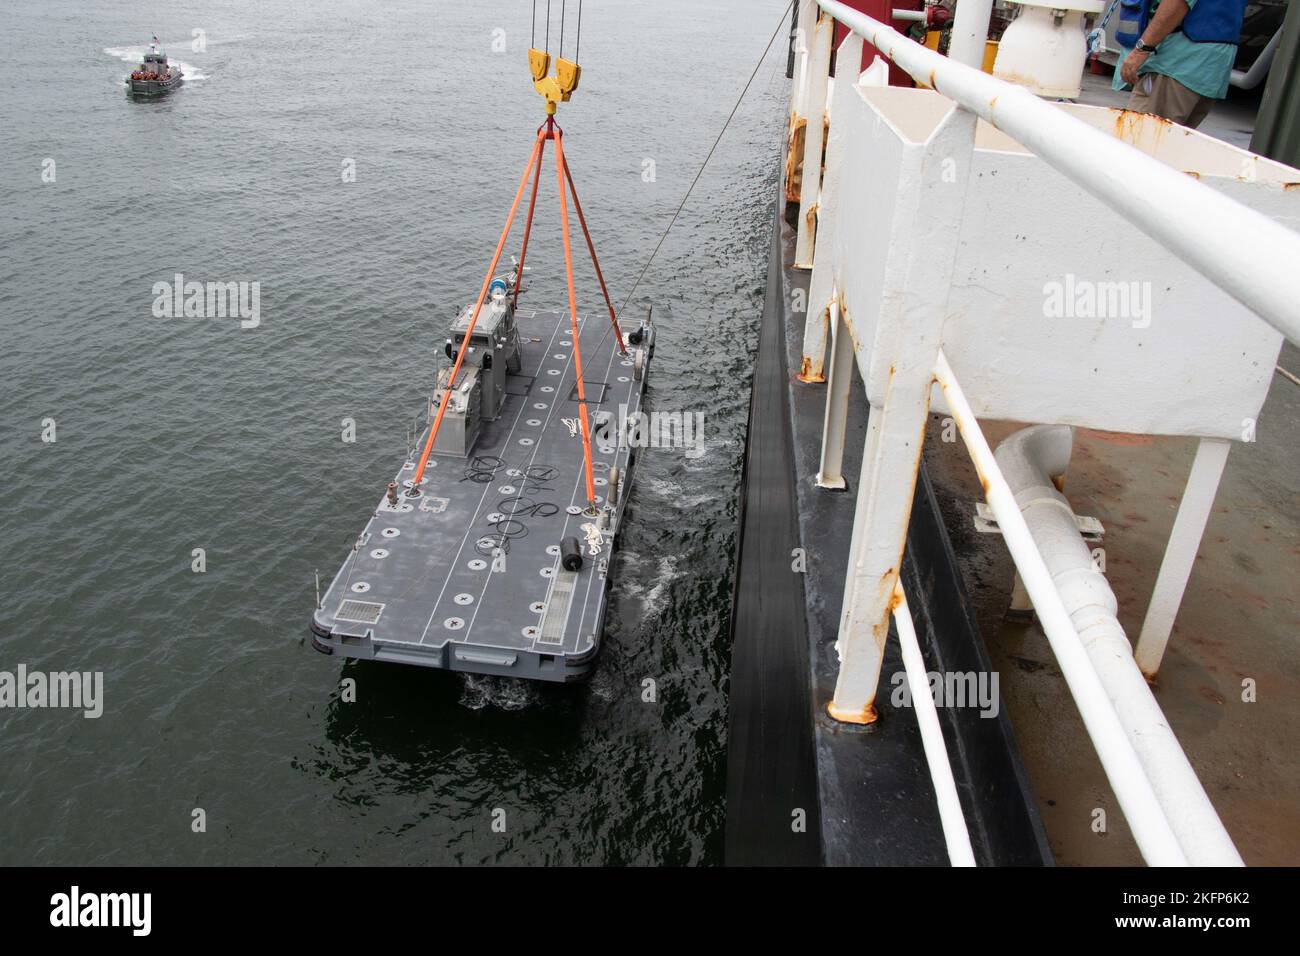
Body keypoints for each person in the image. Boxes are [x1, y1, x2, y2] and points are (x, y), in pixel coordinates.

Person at [1112, 0, 1248, 129]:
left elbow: (1177, 3)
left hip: (1176, 62)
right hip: (1210, 61)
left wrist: (1141, 50)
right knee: (1168, 145)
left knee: (1140, 141)